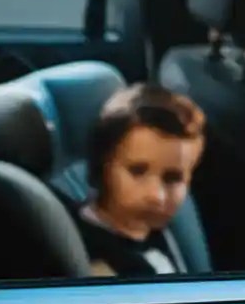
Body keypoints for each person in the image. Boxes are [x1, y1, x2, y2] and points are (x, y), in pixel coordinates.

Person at [79, 83, 206, 278]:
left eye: (173, 178)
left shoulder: (156, 234)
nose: (156, 196)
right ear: (102, 167)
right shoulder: (84, 255)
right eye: (137, 171)